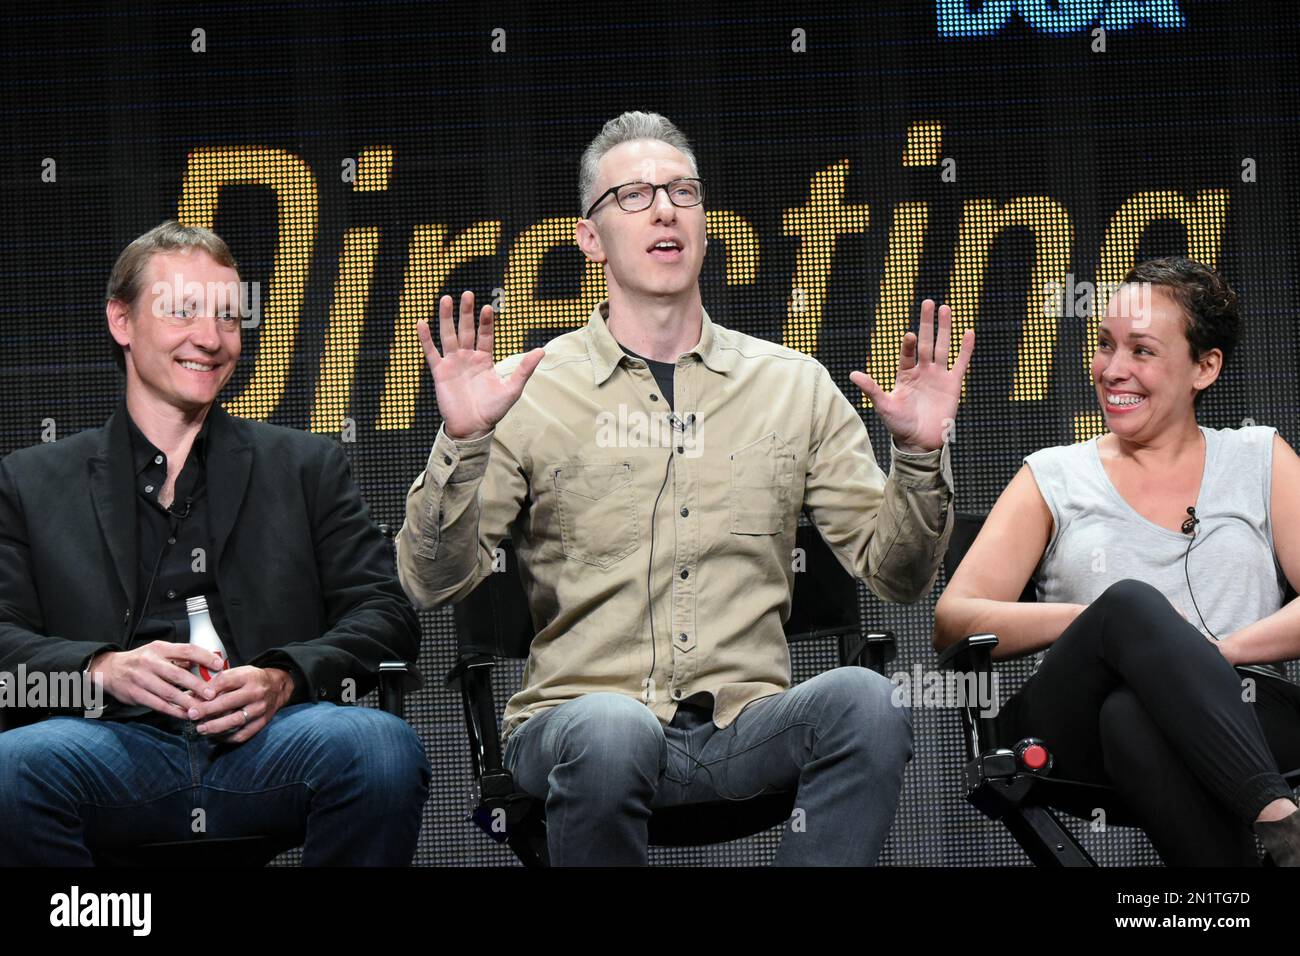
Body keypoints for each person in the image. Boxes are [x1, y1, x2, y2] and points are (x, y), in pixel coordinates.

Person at [397, 111, 974, 865]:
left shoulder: (791, 386)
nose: (665, 208)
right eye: (633, 196)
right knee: (612, 728)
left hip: (745, 728)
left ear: (704, 223)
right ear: (589, 238)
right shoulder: (530, 391)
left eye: (682, 192)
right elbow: (431, 582)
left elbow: (898, 577)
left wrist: (920, 457)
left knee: (865, 702)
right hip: (577, 725)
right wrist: (464, 441)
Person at [0, 221, 430, 865]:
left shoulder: (306, 466)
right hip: (106, 746)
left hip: (273, 742)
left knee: (378, 748)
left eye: (228, 318)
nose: (211, 338)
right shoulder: (32, 481)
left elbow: (387, 616)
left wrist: (282, 678)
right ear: (121, 320)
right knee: (11, 768)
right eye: (184, 312)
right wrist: (101, 670)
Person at [934, 256, 1300, 866]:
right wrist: (1104, 624)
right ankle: (1283, 823)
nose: (1112, 370)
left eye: (1142, 351)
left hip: (1242, 715)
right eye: (1105, 345)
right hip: (1073, 737)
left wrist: (1213, 654)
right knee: (1129, 605)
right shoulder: (1054, 475)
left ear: (1204, 368)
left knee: (1133, 713)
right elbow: (955, 619)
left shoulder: (1260, 458)